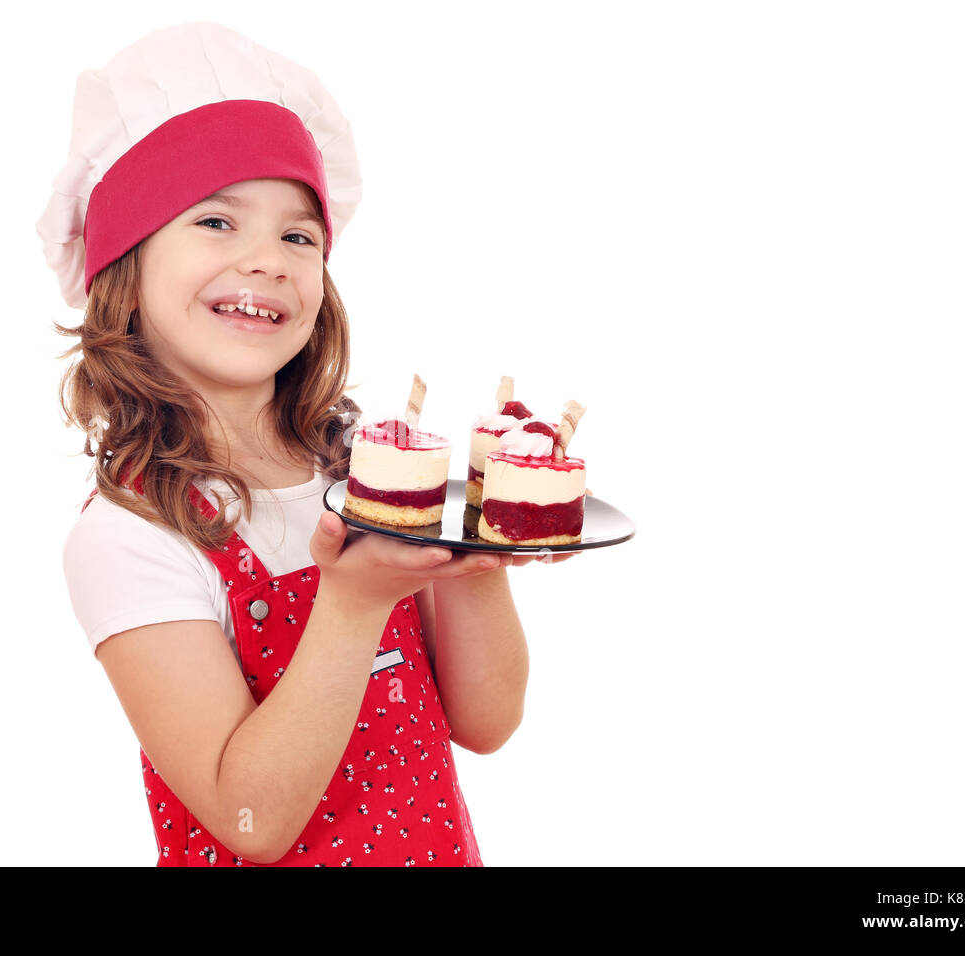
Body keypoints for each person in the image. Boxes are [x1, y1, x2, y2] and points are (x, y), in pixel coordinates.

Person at [39, 22, 575, 867]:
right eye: (216, 221)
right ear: (123, 270)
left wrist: (474, 555)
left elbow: (486, 722)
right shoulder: (131, 535)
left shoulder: (367, 468)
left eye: (299, 236)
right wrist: (356, 601)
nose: (268, 261)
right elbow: (250, 818)